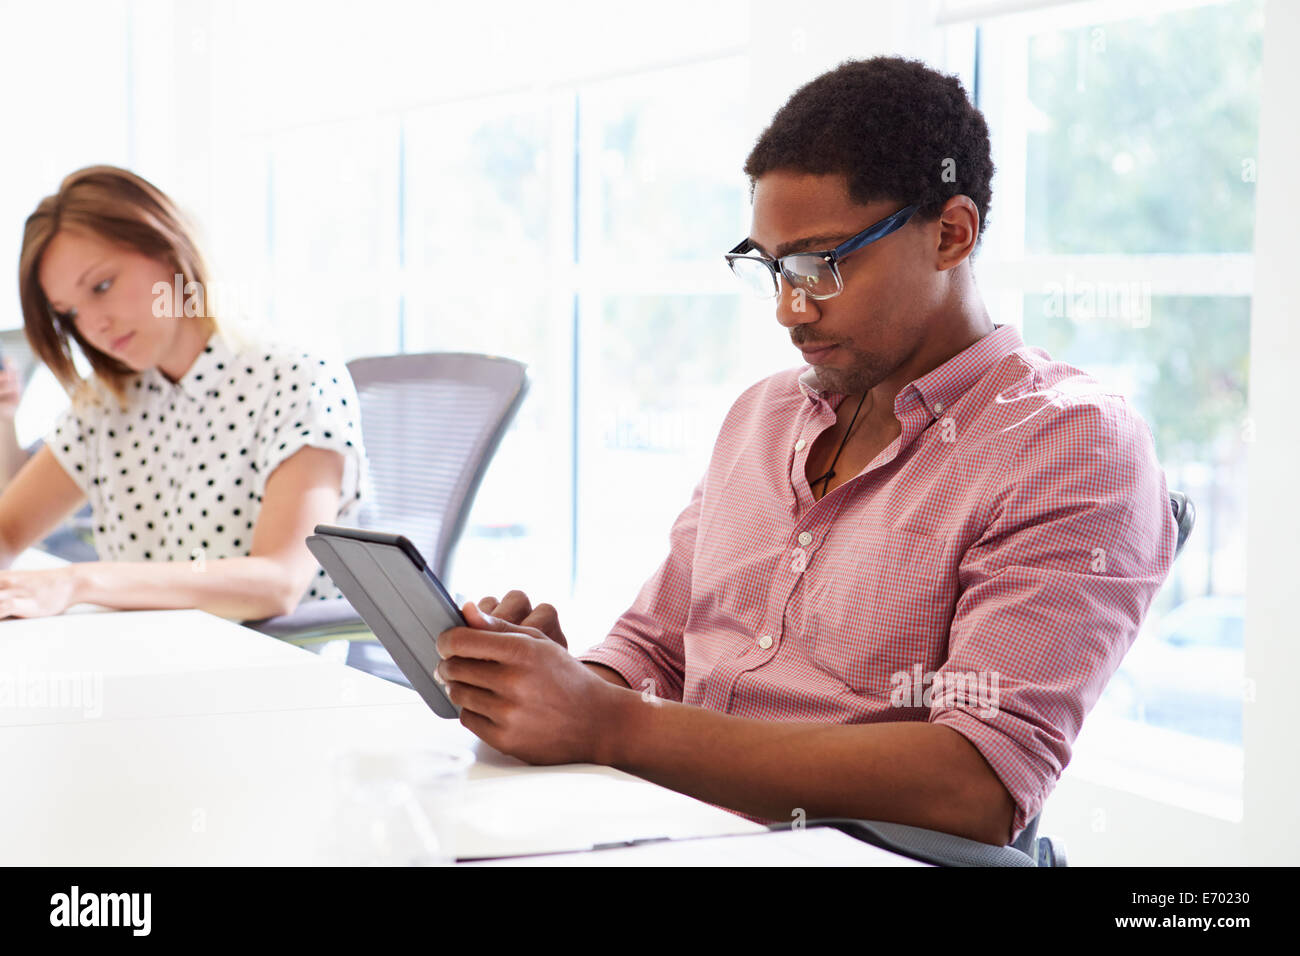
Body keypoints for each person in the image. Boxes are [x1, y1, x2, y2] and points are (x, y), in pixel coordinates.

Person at [431, 57, 1178, 848]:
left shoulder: (1068, 444)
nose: (791, 308)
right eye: (773, 267)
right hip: (671, 826)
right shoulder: (763, 416)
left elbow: (976, 783)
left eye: (822, 264)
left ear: (951, 234)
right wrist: (559, 688)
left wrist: (613, 727)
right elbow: (657, 648)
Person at [0, 165, 365, 621]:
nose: (93, 323)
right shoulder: (107, 402)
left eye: (102, 286)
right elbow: (8, 529)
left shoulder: (294, 377)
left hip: (273, 672)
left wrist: (79, 581)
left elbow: (278, 581)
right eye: (70, 312)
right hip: (144, 660)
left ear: (169, 251)